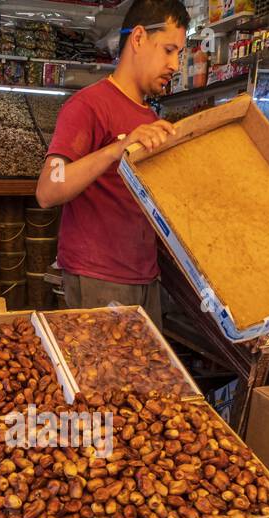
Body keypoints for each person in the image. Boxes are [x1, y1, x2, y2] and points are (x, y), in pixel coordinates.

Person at [34, 0, 187, 326]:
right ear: (139, 38)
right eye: (169, 50)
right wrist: (114, 150)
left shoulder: (149, 117)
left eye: (179, 55)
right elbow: (48, 187)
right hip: (99, 280)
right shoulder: (87, 107)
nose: (175, 65)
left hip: (146, 278)